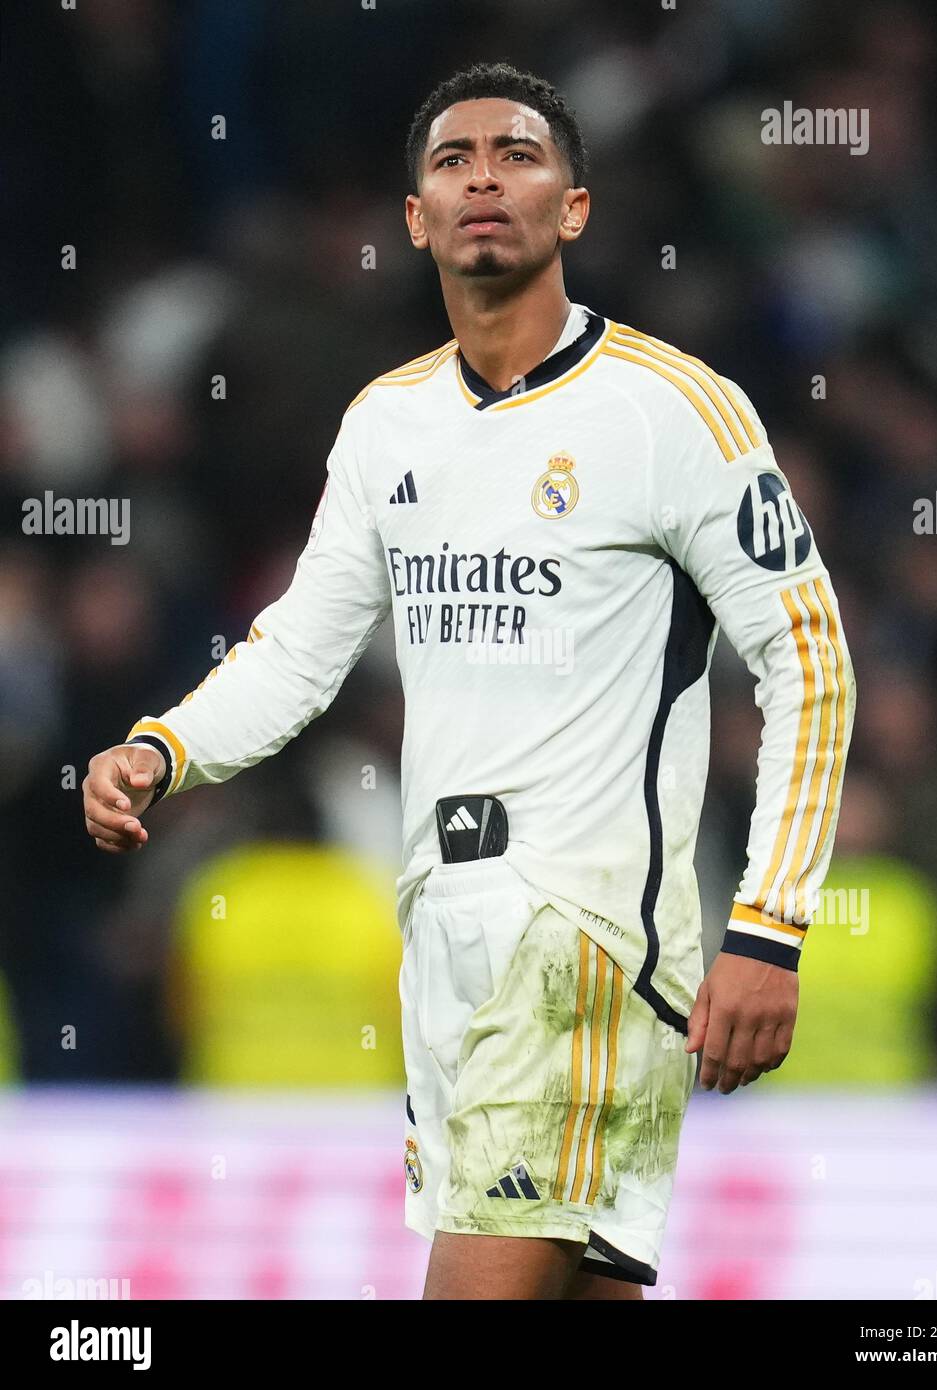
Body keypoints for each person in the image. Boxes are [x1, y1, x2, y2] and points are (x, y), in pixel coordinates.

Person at [82, 61, 856, 1300]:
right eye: (452, 161)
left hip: (583, 935)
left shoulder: (674, 412)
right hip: (441, 933)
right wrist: (165, 747)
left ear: (574, 207)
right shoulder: (387, 423)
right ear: (414, 218)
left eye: (517, 155)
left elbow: (808, 659)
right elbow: (297, 647)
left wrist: (769, 927)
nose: (483, 177)